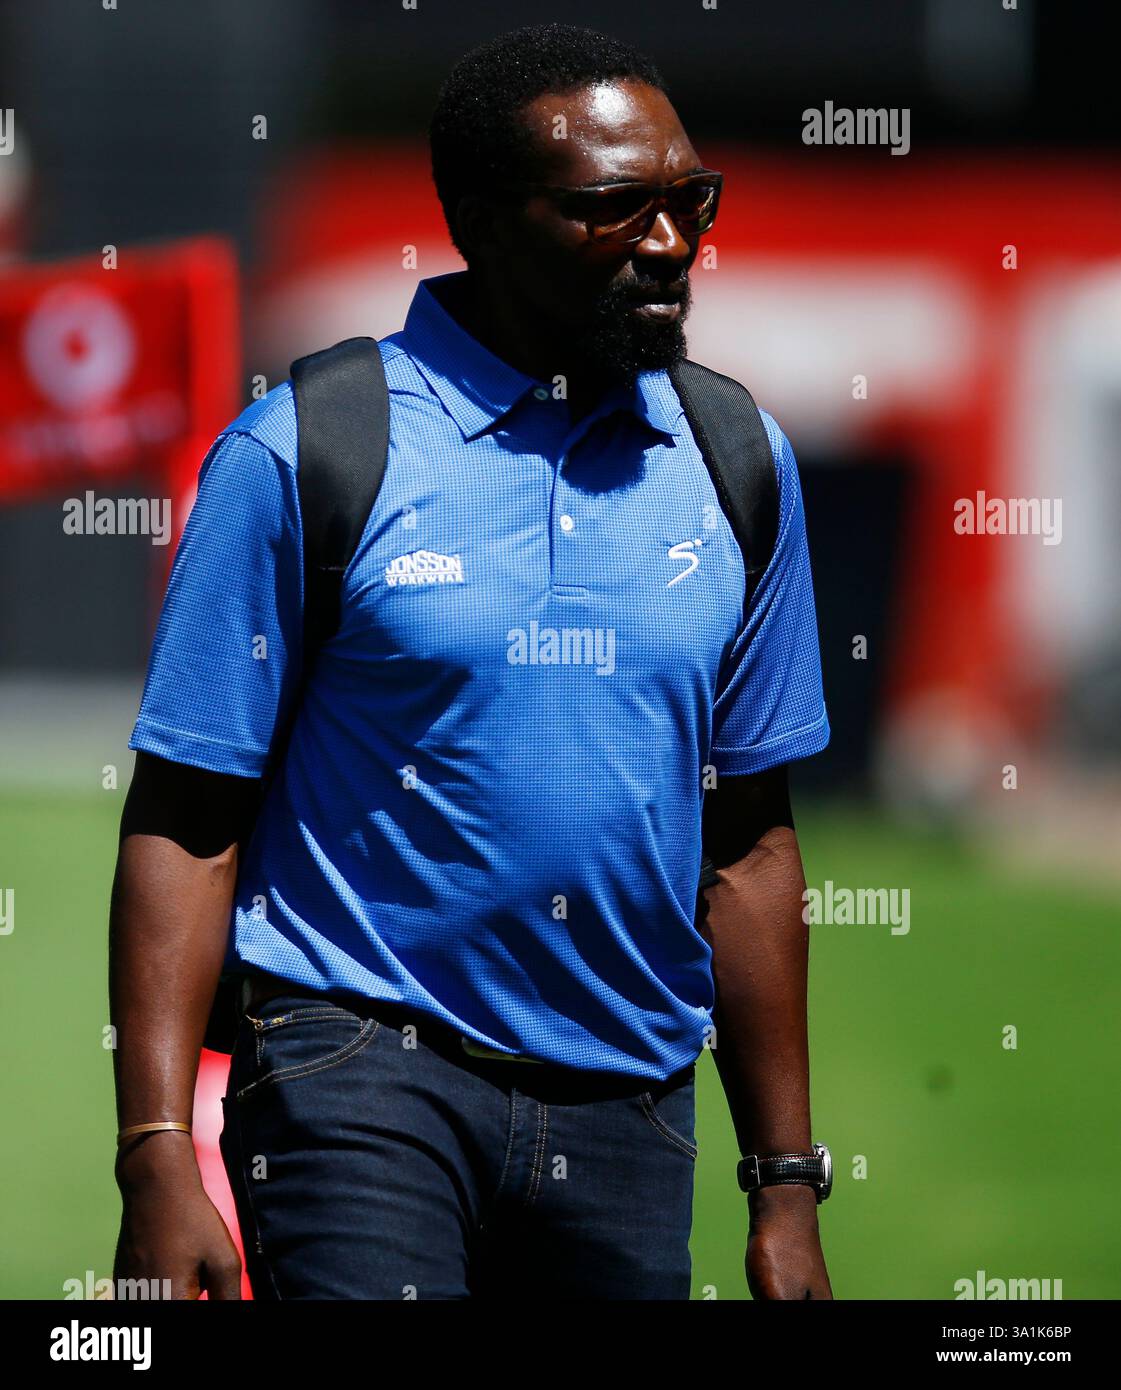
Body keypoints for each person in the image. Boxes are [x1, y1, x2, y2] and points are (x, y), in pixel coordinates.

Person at [110, 22, 833, 1301]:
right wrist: (157, 1151)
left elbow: (750, 843)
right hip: (357, 1071)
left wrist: (784, 1185)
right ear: (481, 220)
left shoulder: (737, 460)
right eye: (614, 207)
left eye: (689, 199)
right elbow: (186, 816)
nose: (669, 242)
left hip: (633, 1104)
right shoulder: (304, 452)